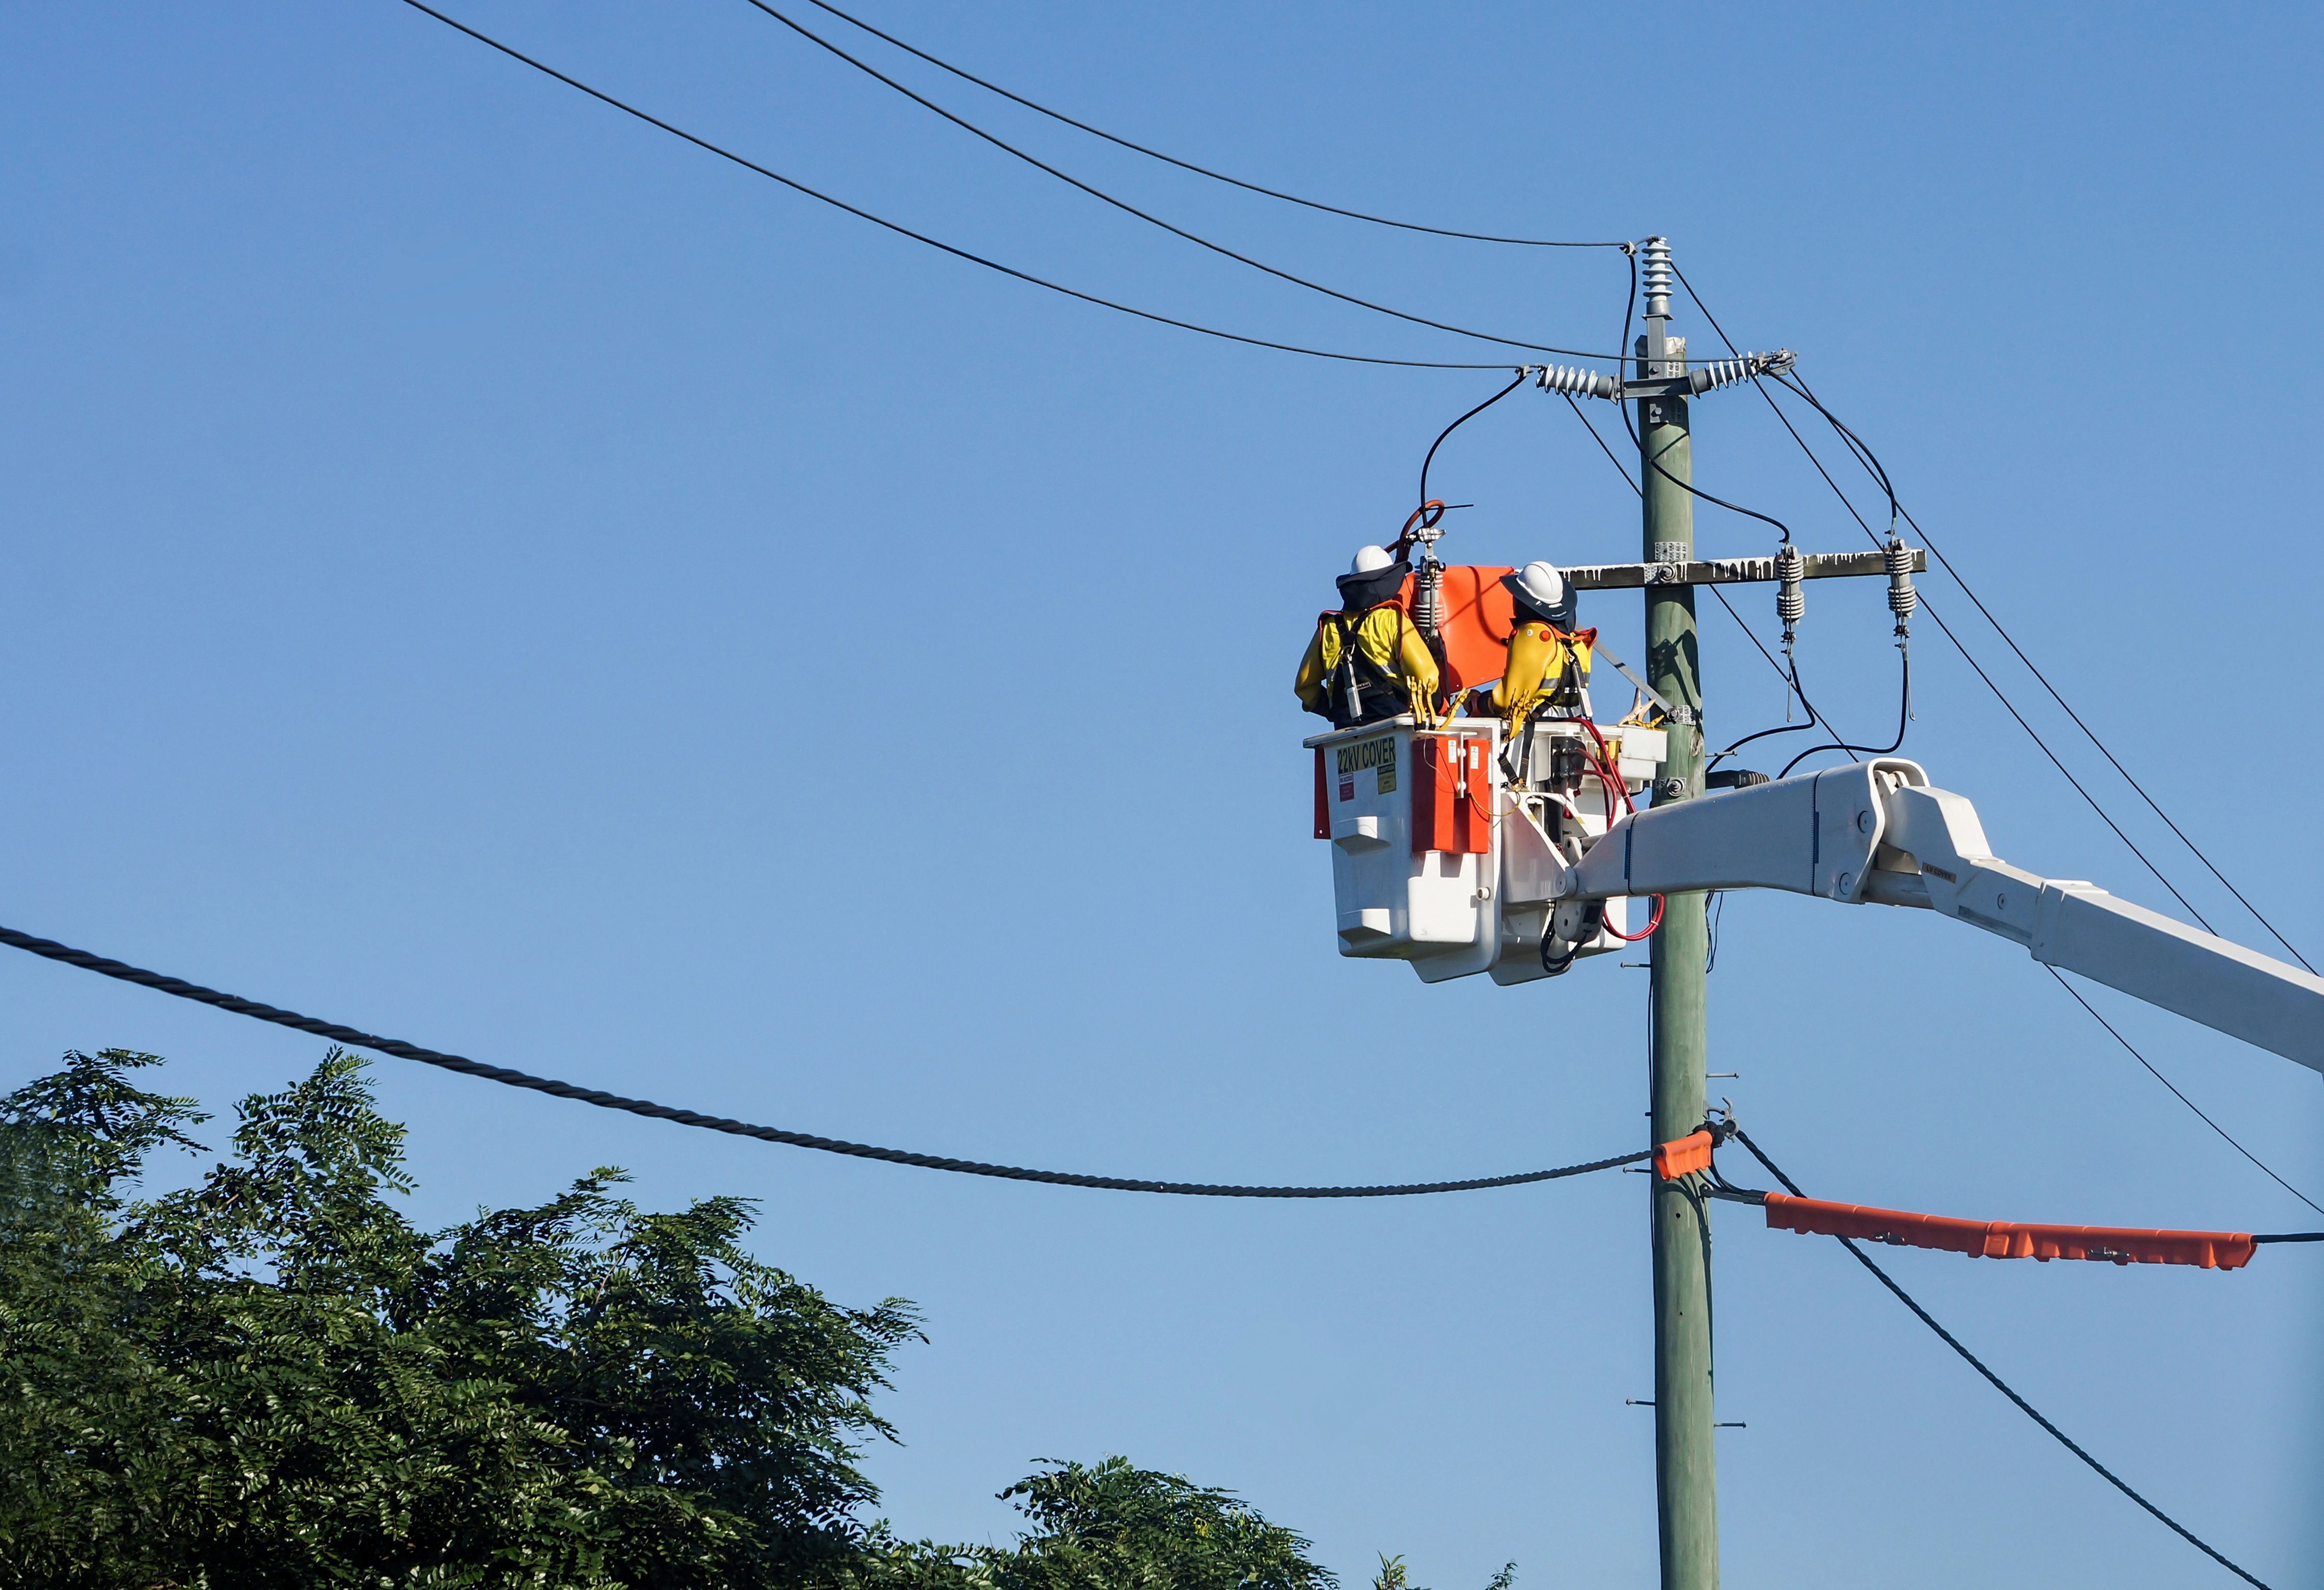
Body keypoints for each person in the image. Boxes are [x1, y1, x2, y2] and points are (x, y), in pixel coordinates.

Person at [1295, 545, 1441, 728]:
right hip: (1394, 727)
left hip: (1347, 735)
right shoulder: (1392, 620)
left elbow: (1304, 686)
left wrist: (1333, 710)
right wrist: (1438, 702)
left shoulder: (1328, 627)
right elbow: (1426, 678)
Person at [1473, 559, 1595, 732]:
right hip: (1572, 728)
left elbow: (1508, 702)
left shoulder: (1534, 637)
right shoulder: (1576, 644)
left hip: (1532, 734)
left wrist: (1479, 703)